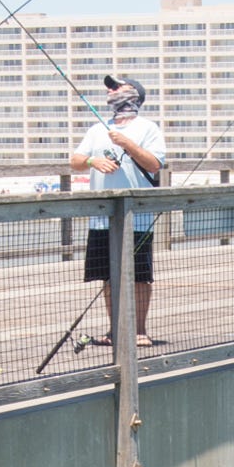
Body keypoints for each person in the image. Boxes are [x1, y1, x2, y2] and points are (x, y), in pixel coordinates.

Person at [71, 74, 164, 349]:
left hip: (137, 216)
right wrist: (93, 161)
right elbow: (75, 160)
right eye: (110, 88)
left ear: (135, 95)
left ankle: (139, 330)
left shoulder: (148, 128)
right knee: (108, 275)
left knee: (139, 275)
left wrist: (128, 144)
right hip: (102, 217)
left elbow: (154, 164)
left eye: (118, 87)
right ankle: (115, 330)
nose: (112, 91)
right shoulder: (96, 129)